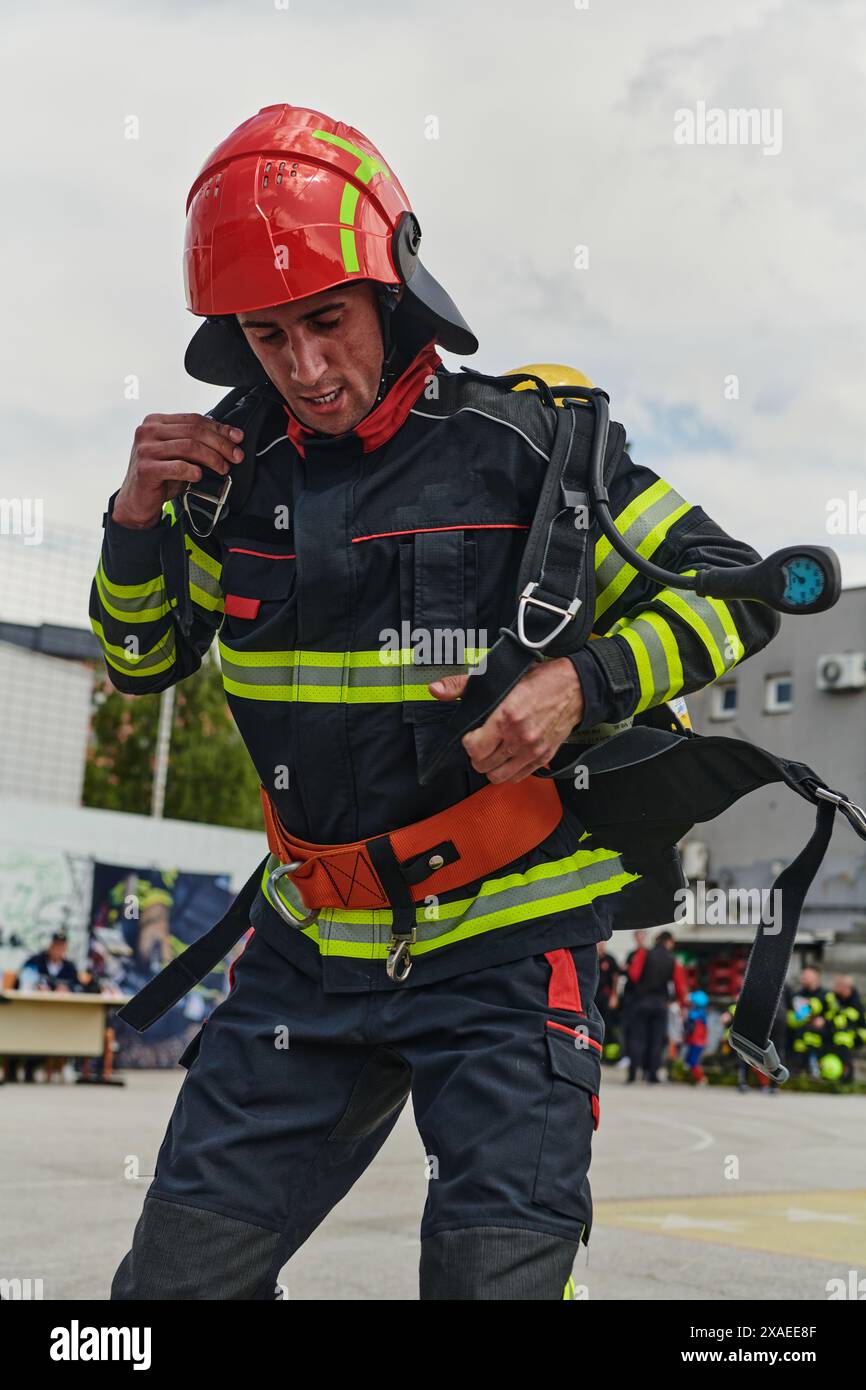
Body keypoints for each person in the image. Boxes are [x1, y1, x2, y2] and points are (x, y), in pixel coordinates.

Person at [94, 104, 779, 1301]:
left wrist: (584, 680)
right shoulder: (223, 483)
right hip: (308, 953)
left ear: (393, 289)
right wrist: (133, 521)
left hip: (507, 955)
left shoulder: (535, 449)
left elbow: (741, 592)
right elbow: (142, 663)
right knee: (160, 1306)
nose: (306, 370)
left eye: (326, 321)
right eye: (268, 335)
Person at [625, 930, 688, 1083]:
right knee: (656, 1040)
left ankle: (633, 1074)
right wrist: (683, 1006)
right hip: (660, 1004)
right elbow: (680, 987)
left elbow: (633, 974)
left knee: (637, 1039)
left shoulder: (644, 953)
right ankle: (651, 1074)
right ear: (668, 942)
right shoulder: (673, 960)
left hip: (641, 1002)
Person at [787, 966, 826, 1078]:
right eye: (802, 975)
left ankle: (813, 1067)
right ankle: (796, 1070)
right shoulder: (797, 995)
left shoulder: (826, 995)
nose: (802, 977)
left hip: (820, 1037)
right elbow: (795, 1015)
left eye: (806, 975)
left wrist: (824, 1021)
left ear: (816, 977)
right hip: (798, 1036)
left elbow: (825, 1010)